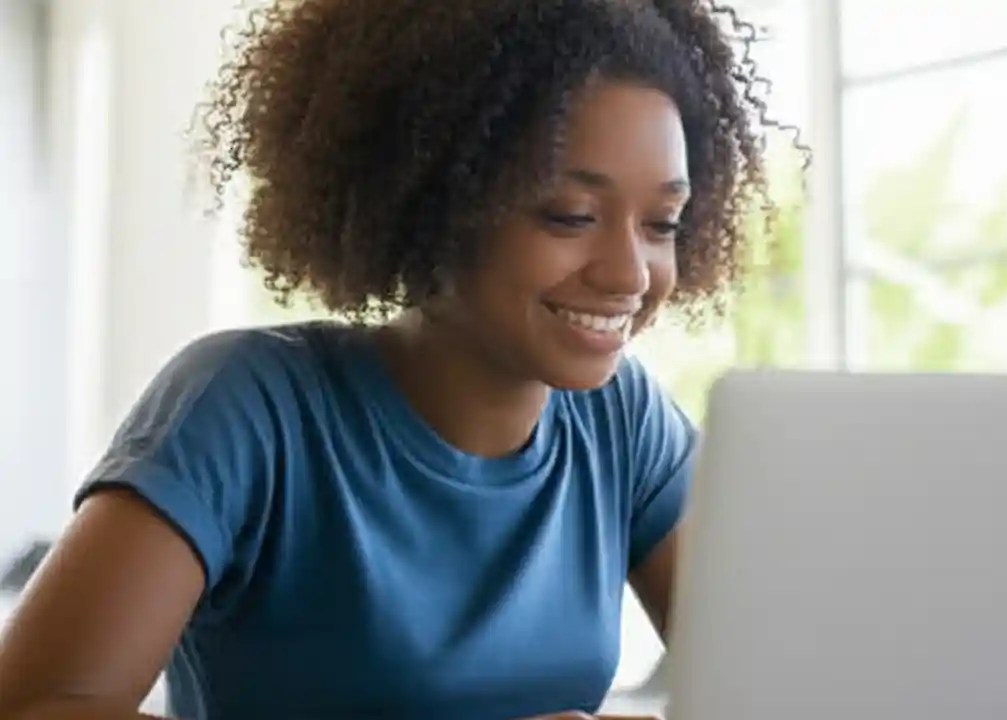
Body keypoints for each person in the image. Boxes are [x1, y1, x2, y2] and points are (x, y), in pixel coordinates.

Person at [0, 0, 787, 718]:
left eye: (663, 223)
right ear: (435, 200)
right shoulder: (248, 407)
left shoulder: (624, 423)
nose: (629, 274)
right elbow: (37, 706)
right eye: (569, 215)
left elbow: (784, 683)